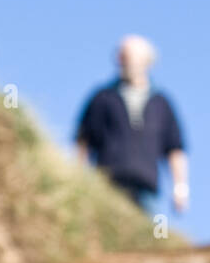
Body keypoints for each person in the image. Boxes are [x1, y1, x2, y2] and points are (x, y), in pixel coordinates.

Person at [76, 35, 189, 215]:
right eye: (121, 56)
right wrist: (77, 181)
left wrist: (180, 188)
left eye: (128, 57)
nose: (122, 61)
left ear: (146, 61)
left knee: (144, 237)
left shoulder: (161, 103)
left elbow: (174, 148)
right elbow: (84, 141)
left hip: (146, 189)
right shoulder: (103, 98)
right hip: (107, 183)